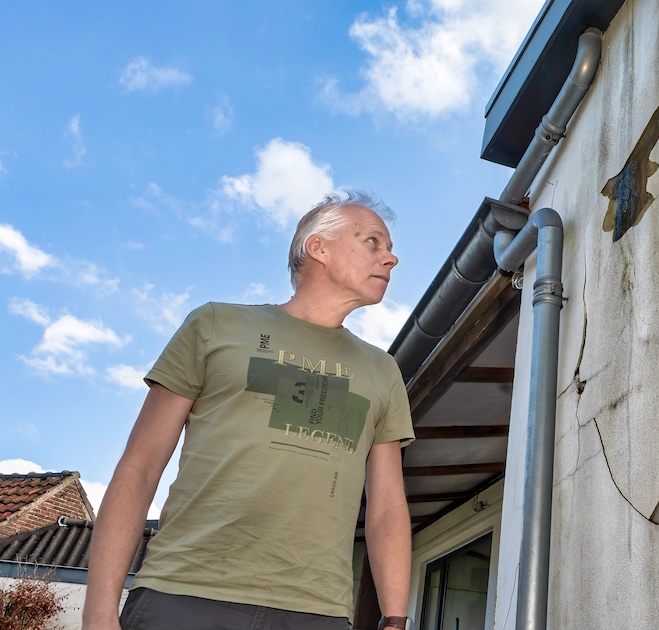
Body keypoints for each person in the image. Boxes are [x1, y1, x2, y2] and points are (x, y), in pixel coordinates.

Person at [82, 190, 415, 630]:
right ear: (318, 247)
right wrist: (99, 611)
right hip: (183, 594)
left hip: (316, 612)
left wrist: (395, 620)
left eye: (388, 247)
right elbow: (140, 467)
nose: (391, 258)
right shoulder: (215, 325)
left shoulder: (383, 370)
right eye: (372, 241)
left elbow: (388, 506)